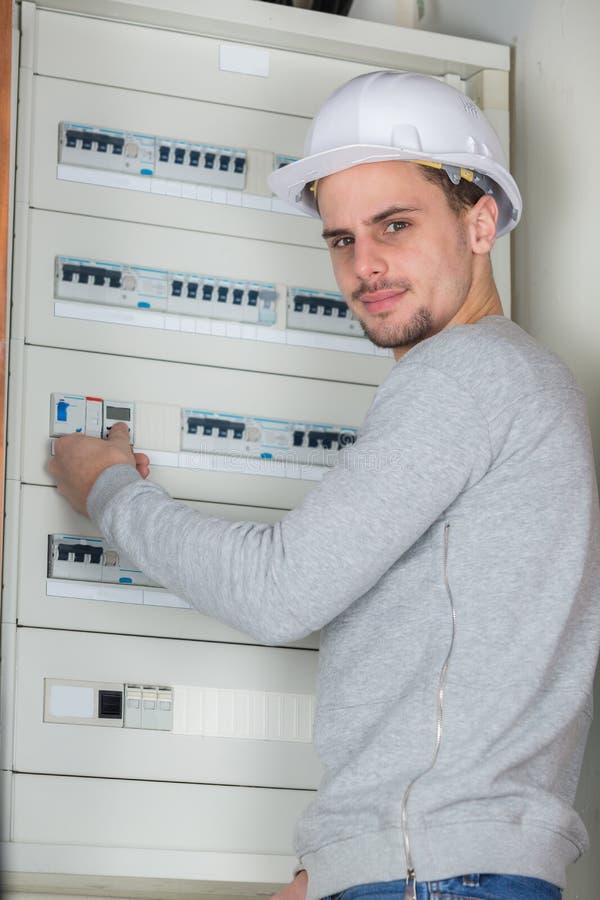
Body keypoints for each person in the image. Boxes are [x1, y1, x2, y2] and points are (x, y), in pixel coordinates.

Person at [49, 72, 600, 900]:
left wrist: (108, 490)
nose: (364, 266)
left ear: (480, 221)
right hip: (442, 869)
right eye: (342, 238)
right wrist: (353, 861)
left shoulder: (466, 375)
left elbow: (280, 589)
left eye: (395, 225)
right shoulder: (512, 383)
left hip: (440, 878)